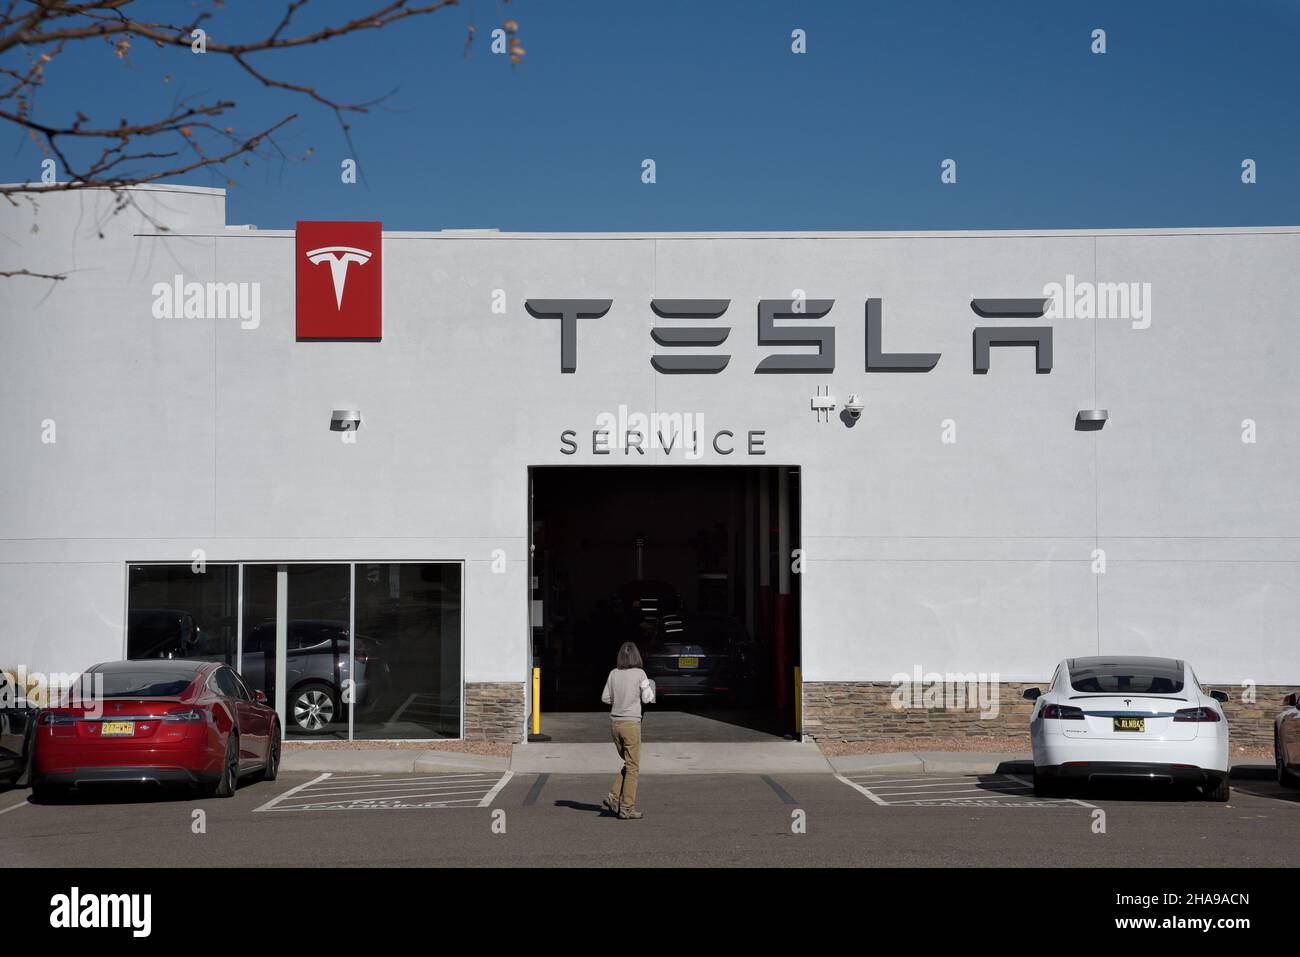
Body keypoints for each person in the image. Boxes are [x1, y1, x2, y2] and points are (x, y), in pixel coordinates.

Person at [601, 641, 651, 819]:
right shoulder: (640, 674)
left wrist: (620, 699)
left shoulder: (613, 673)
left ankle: (613, 797)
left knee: (629, 764)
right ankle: (627, 807)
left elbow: (605, 698)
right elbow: (647, 698)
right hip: (631, 724)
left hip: (615, 724)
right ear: (637, 656)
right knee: (633, 766)